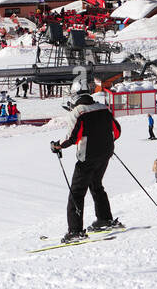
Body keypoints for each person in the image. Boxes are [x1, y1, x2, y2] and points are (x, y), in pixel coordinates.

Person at [50, 91, 122, 243]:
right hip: (106, 153)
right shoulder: (104, 108)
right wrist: (103, 141)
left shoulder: (78, 112)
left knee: (76, 192)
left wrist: (58, 146)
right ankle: (104, 219)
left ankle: (75, 231)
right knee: (96, 185)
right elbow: (117, 131)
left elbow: (72, 137)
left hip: (88, 156)